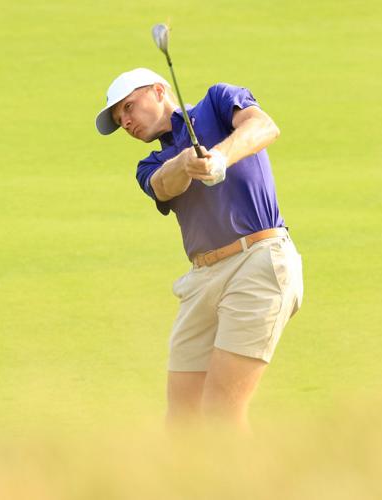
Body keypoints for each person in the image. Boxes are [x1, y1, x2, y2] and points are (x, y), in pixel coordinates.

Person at [95, 68, 304, 431]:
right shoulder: (151, 164)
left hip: (258, 259)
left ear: (159, 90)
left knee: (222, 410)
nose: (126, 122)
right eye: (119, 119)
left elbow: (263, 127)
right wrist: (187, 163)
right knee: (182, 418)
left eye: (129, 107)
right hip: (201, 281)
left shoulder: (218, 101)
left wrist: (221, 156)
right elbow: (163, 185)